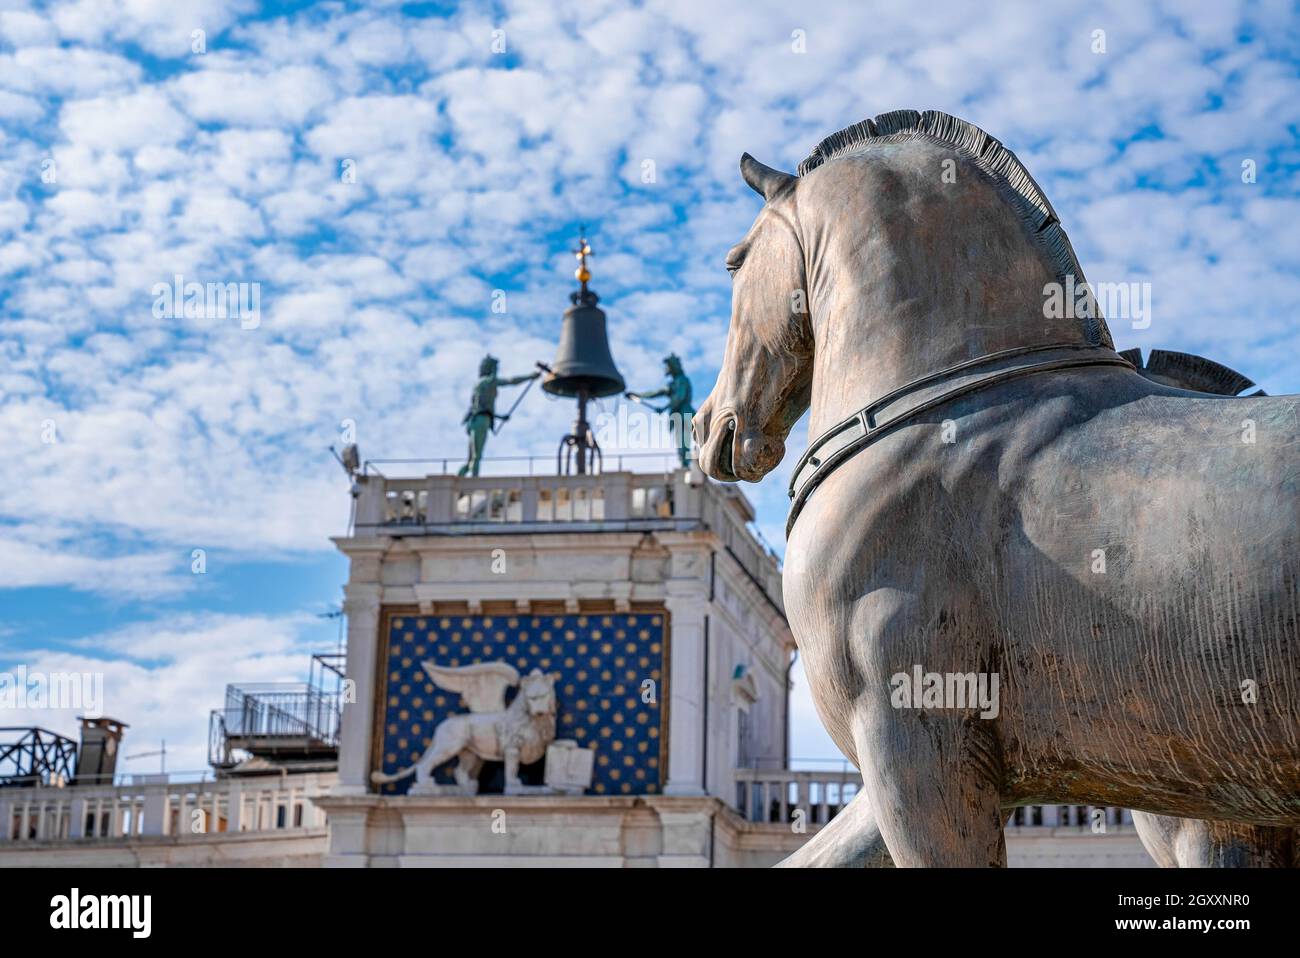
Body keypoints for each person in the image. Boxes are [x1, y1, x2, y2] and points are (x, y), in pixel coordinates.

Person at [458, 355, 539, 477]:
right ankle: (472, 483)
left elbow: (481, 408)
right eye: (495, 367)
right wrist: (530, 377)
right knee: (477, 456)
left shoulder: (479, 384)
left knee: (471, 459)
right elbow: (511, 381)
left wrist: (500, 417)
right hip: (482, 421)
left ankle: (459, 480)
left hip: (474, 421)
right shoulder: (489, 381)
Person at [626, 353, 694, 468]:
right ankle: (684, 464)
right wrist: (639, 395)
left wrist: (664, 408)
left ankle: (686, 464)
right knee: (680, 442)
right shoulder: (672, 383)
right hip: (677, 415)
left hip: (684, 414)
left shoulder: (683, 380)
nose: (667, 370)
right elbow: (656, 393)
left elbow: (680, 397)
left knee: (684, 442)